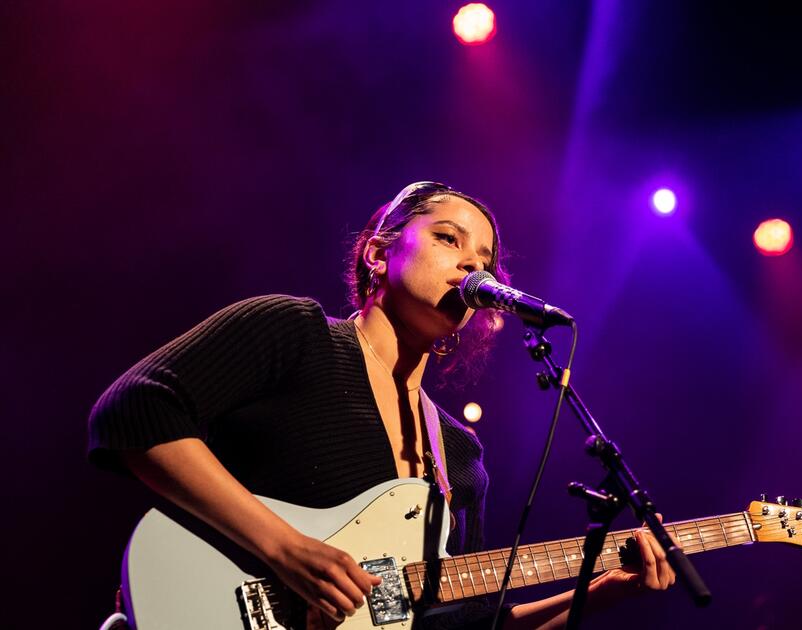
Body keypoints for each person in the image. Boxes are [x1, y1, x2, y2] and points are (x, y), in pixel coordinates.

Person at [88, 182, 675, 629]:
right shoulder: (295, 334)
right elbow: (135, 409)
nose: (474, 264)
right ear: (377, 253)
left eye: (486, 258)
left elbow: (461, 627)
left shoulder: (459, 455)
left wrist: (604, 591)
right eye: (449, 238)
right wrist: (285, 548)